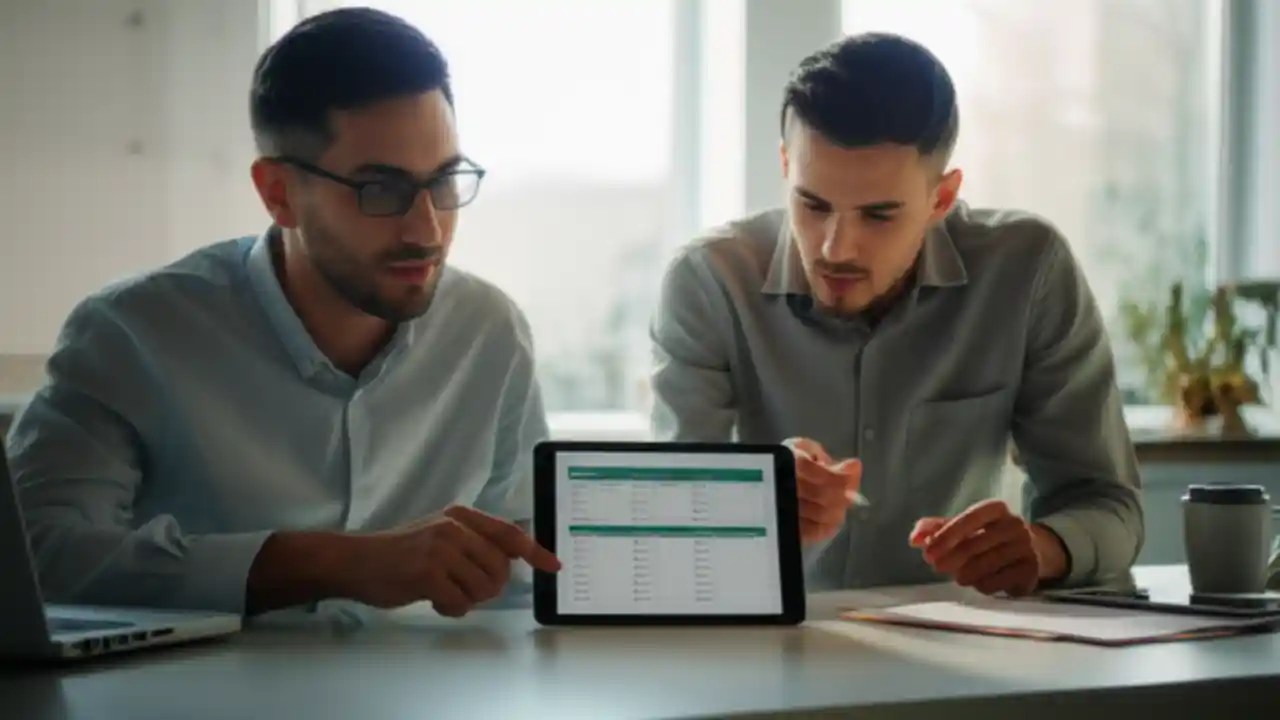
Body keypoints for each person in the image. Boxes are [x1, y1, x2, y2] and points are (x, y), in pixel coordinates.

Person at [5, 8, 559, 618]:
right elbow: (40, 555)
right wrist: (335, 563)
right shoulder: (132, 333)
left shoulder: (489, 333)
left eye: (445, 181)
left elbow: (525, 581)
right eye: (381, 189)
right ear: (279, 193)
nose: (427, 230)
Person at [651, 33, 1142, 596]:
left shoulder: (1027, 271)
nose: (836, 248)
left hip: (965, 636)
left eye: (879, 215)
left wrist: (1042, 548)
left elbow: (1111, 506)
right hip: (771, 633)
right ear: (786, 166)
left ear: (941, 199)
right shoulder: (709, 282)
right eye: (812, 204)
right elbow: (664, 523)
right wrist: (750, 500)